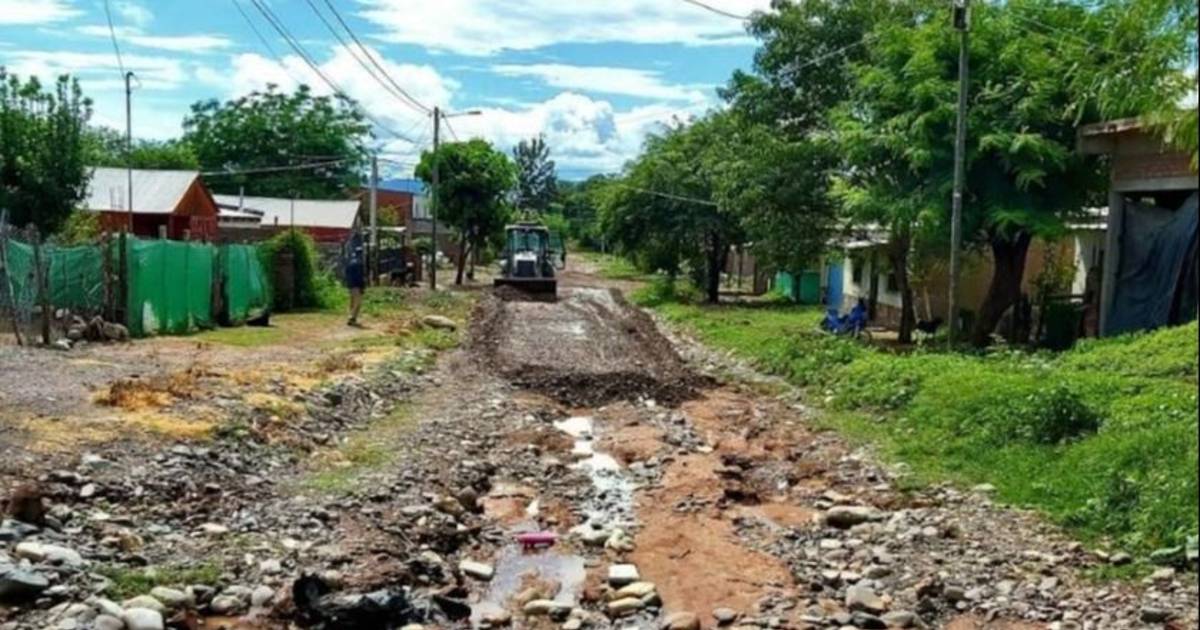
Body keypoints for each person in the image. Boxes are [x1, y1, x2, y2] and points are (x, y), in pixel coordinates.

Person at [345, 232, 366, 327]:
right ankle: (351, 317)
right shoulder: (359, 261)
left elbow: (346, 271)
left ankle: (352, 317)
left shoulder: (349, 258)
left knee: (353, 300)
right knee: (358, 301)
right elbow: (360, 274)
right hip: (357, 282)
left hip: (351, 282)